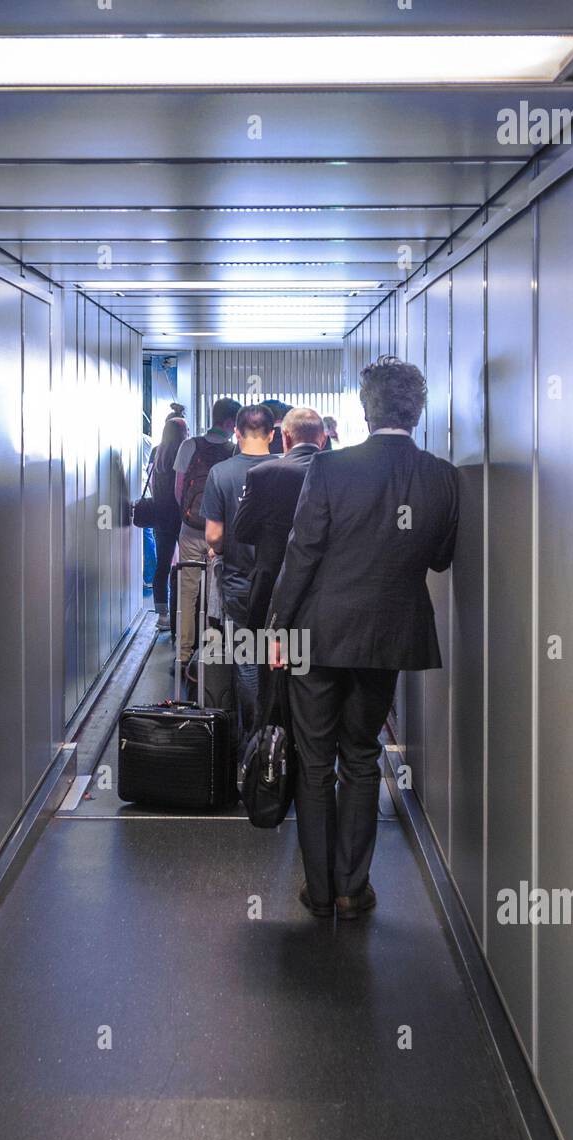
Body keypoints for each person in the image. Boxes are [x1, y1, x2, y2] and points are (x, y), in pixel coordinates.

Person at [266, 357, 460, 920]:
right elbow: (442, 559)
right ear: (417, 411)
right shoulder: (442, 477)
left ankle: (319, 890)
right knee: (361, 754)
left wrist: (277, 629)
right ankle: (354, 888)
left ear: (364, 409)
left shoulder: (329, 469)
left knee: (314, 759)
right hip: (387, 637)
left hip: (318, 635)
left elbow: (301, 554)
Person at [203, 403, 277, 740]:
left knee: (247, 663)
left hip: (239, 585)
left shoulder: (221, 472)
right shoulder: (290, 469)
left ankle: (252, 741)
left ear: (236, 432)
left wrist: (220, 549)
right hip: (281, 587)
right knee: (285, 659)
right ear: (273, 434)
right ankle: (279, 739)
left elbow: (215, 536)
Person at [233, 405, 326, 637]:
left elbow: (241, 531)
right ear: (322, 439)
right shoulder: (343, 474)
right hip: (323, 589)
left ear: (285, 436)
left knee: (266, 662)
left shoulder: (263, 473)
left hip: (270, 584)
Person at [173, 397, 241, 667]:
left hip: (190, 530)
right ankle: (216, 651)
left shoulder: (189, 445)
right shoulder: (234, 451)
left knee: (188, 592)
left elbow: (179, 491)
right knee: (218, 593)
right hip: (220, 534)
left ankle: (183, 653)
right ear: (228, 422)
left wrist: (190, 517)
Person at [147, 413, 189, 626]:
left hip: (161, 516)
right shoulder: (186, 451)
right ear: (182, 433)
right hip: (183, 517)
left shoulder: (156, 451)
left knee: (162, 566)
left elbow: (152, 483)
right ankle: (183, 612)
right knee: (186, 566)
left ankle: (162, 616)